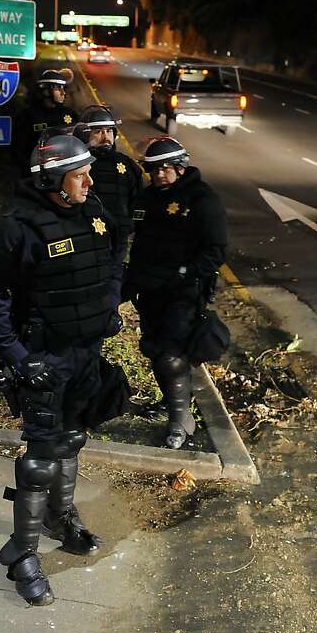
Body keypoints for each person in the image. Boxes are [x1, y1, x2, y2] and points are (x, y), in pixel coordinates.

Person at [0, 134, 126, 606]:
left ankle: (61, 518)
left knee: (74, 437)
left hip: (86, 350)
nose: (89, 181)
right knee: (40, 456)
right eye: (79, 174)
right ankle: (22, 552)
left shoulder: (93, 210)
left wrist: (109, 305)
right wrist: (18, 357)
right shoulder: (15, 227)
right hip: (44, 355)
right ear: (52, 180)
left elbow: (113, 258)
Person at [124, 137, 228, 449]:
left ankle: (179, 422)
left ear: (181, 168)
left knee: (172, 356)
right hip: (150, 290)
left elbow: (216, 251)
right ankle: (175, 408)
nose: (158, 175)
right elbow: (138, 240)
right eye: (152, 169)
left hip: (184, 291)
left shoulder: (201, 199)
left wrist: (186, 272)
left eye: (164, 169)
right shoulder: (147, 199)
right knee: (156, 353)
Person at [72, 104, 142, 279]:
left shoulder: (127, 165)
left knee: (112, 289)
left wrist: (129, 225)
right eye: (98, 131)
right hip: (84, 239)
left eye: (109, 131)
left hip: (117, 241)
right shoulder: (75, 165)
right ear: (85, 135)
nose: (106, 137)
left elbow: (139, 202)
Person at [12, 68, 79, 166]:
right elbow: (18, 149)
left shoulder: (70, 114)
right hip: (37, 171)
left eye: (63, 88)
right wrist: (30, 169)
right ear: (46, 91)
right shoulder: (27, 115)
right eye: (58, 88)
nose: (63, 93)